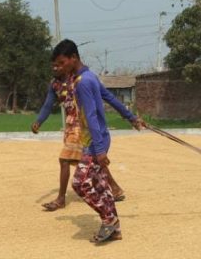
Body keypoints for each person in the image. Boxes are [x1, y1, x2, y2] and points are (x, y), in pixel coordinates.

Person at [50, 39, 144, 242]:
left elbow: (91, 115)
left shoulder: (83, 82)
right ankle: (115, 228)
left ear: (73, 58)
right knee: (100, 183)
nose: (60, 67)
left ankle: (108, 220)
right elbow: (110, 97)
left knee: (80, 183)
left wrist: (100, 150)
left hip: (95, 142)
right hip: (93, 140)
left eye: (62, 62)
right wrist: (131, 118)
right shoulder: (87, 77)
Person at [32, 64, 129, 211]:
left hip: (81, 125)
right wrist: (38, 121)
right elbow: (47, 105)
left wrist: (128, 115)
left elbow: (108, 97)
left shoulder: (79, 80)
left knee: (65, 159)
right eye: (53, 66)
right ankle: (115, 188)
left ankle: (61, 199)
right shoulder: (55, 85)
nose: (55, 68)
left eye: (58, 65)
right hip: (70, 126)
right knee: (89, 160)